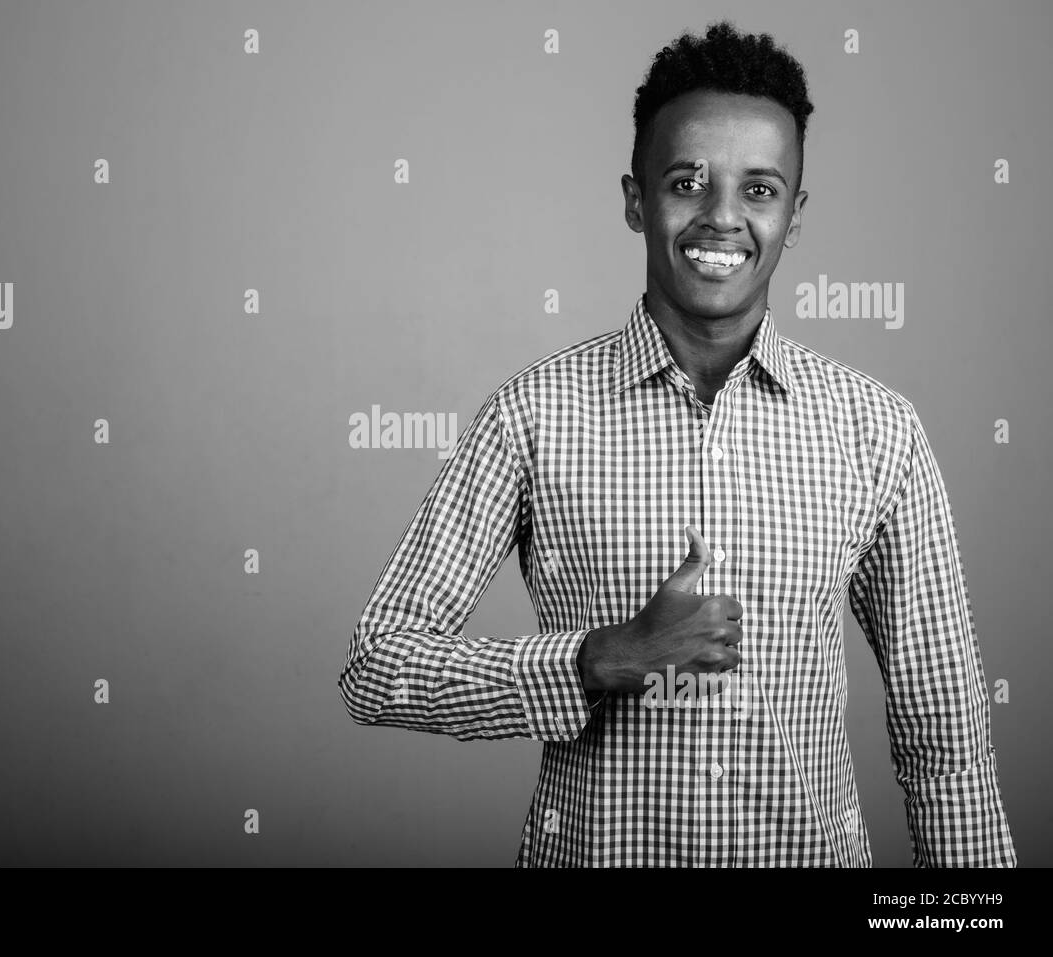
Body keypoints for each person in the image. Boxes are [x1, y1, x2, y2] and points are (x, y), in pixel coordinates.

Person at [337, 20, 1016, 867]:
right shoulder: (530, 416)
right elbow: (377, 664)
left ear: (795, 215)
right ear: (635, 198)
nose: (722, 217)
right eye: (687, 181)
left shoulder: (877, 431)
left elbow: (944, 725)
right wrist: (600, 657)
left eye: (759, 189)